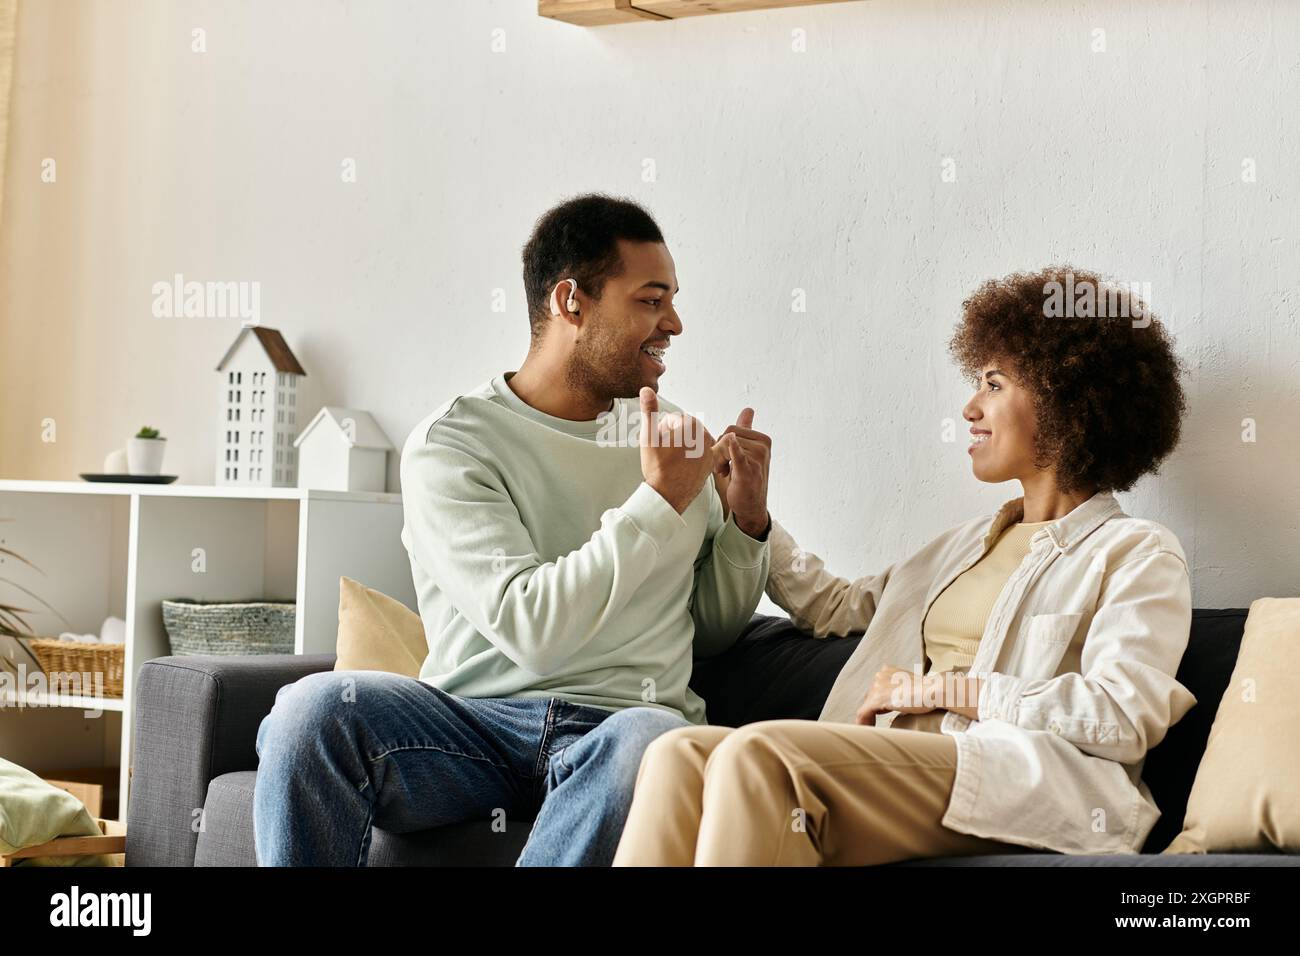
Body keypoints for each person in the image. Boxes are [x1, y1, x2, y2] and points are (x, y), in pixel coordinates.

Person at [613, 266, 1197, 866]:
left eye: (994, 385)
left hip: (1022, 781)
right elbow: (834, 605)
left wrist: (943, 690)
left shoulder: (1136, 552)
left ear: (1066, 399)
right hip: (899, 769)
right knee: (677, 755)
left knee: (756, 756)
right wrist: (750, 510)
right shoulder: (959, 549)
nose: (970, 407)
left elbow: (1125, 716)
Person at [253, 193, 773, 866]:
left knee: (655, 743)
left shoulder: (670, 438)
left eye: (672, 299)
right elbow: (533, 631)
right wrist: (657, 500)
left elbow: (710, 629)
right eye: (650, 299)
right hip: (472, 728)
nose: (673, 323)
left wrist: (746, 522)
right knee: (309, 712)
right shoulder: (456, 445)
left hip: (620, 727)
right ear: (571, 303)